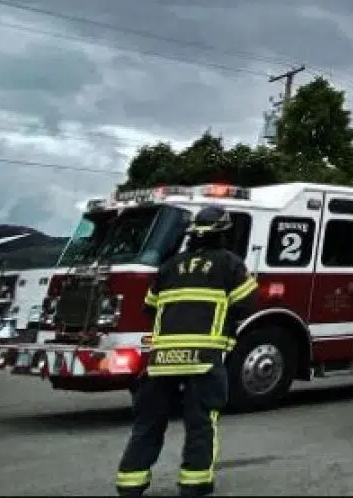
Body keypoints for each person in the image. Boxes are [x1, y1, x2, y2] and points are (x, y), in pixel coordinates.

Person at [115, 205, 259, 497]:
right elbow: (247, 303)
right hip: (203, 360)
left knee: (148, 423)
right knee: (202, 422)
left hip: (161, 361)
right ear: (223, 234)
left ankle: (130, 483)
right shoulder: (230, 264)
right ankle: (195, 483)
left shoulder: (169, 266)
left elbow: (149, 307)